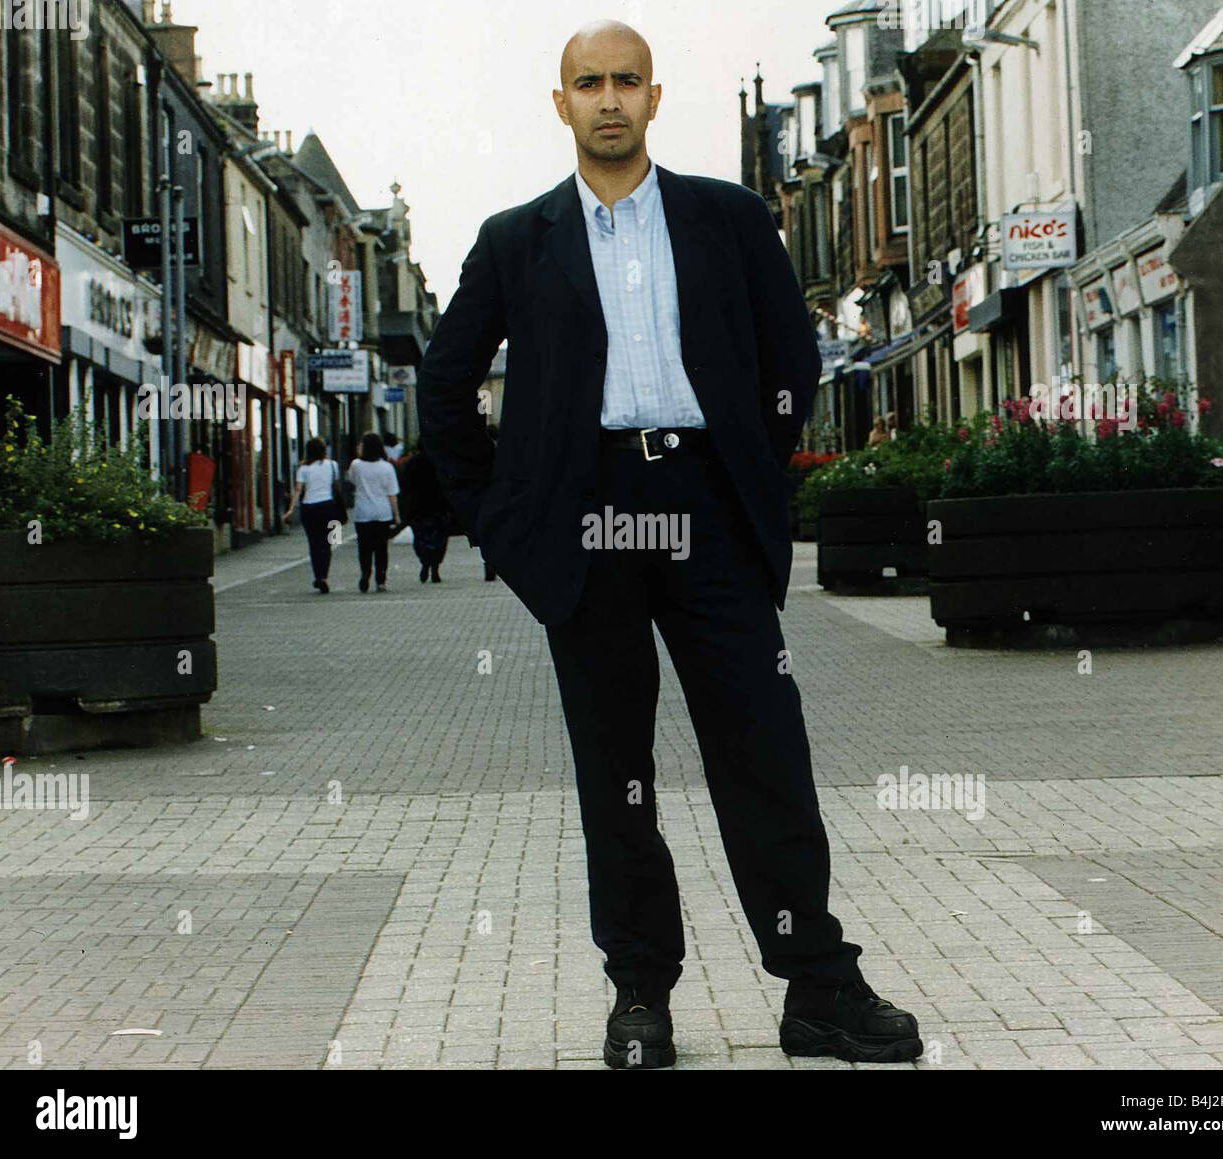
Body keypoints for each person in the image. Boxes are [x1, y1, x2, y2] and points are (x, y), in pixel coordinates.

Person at [416, 19, 921, 1071]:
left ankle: (816, 985)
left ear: (655, 97)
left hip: (706, 510)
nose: (608, 99)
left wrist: (746, 474)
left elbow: (793, 358)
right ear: (560, 103)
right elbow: (443, 385)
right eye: (587, 83)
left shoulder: (727, 220)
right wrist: (503, 524)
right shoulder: (516, 240)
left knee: (764, 749)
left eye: (626, 81)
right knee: (619, 772)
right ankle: (639, 995)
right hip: (583, 518)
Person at [282, 437, 340, 594]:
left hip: (309, 508)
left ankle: (318, 576)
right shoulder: (333, 466)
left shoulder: (303, 469)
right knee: (327, 543)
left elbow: (298, 490)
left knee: (314, 544)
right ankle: (324, 576)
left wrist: (291, 509)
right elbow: (335, 485)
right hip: (328, 507)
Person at [348, 433, 400, 593]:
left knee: (364, 548)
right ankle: (381, 580)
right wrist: (396, 515)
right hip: (382, 512)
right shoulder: (387, 467)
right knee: (381, 548)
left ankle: (365, 574)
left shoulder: (356, 465)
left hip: (363, 513)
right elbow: (392, 494)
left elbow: (352, 481)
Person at [398, 440, 453, 584]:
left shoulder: (411, 464)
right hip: (438, 506)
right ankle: (435, 567)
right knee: (439, 538)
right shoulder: (441, 462)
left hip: (418, 508)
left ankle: (424, 562)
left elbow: (405, 486)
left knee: (421, 537)